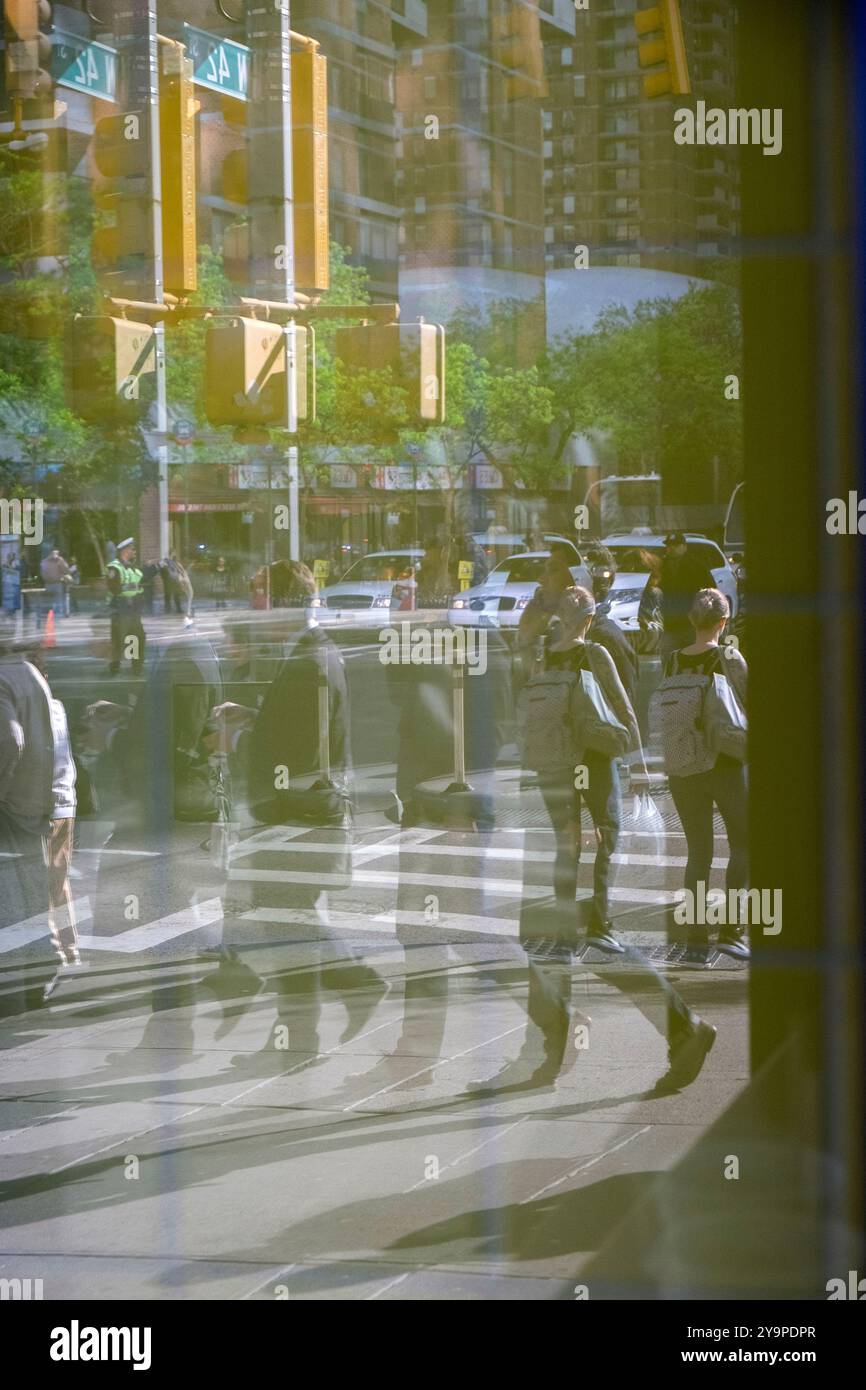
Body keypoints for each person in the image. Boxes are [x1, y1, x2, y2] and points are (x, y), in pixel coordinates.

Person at [533, 586, 641, 953]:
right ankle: (600, 923)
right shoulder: (595, 653)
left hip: (555, 762)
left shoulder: (545, 656)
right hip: (593, 758)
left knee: (567, 845)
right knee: (608, 834)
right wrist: (636, 759)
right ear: (590, 619)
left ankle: (564, 932)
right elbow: (622, 707)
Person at [664, 588, 749, 963]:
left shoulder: (671, 662)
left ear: (691, 621)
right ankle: (732, 932)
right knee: (744, 844)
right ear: (723, 622)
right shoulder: (729, 657)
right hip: (727, 764)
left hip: (684, 768)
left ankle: (696, 940)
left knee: (698, 851)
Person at [0, 627, 55, 943]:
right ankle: (42, 958)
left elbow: (10, 740)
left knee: (9, 888)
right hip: (35, 790)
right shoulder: (29, 672)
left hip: (10, 795)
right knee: (32, 877)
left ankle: (20, 964)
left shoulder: (2, 678)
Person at [658, 532, 715, 656]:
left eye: (676, 545)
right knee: (668, 658)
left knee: (693, 658)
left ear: (684, 547)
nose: (671, 548)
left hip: (691, 624)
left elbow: (711, 591)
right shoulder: (660, 567)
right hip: (669, 624)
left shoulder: (696, 566)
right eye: (669, 545)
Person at [106, 537, 145, 675]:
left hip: (133, 609)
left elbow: (141, 581)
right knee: (119, 639)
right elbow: (114, 588)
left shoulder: (132, 567)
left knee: (137, 637)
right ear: (125, 550)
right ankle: (115, 666)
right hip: (120, 609)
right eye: (132, 549)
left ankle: (136, 668)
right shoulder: (114, 567)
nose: (135, 551)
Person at [40, 547, 70, 624]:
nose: (55, 555)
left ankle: (56, 615)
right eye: (54, 553)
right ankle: (55, 616)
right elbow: (66, 570)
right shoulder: (47, 562)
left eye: (56, 553)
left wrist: (61, 561)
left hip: (53, 583)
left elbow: (66, 570)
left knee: (56, 600)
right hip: (53, 583)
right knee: (54, 600)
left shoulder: (57, 561)